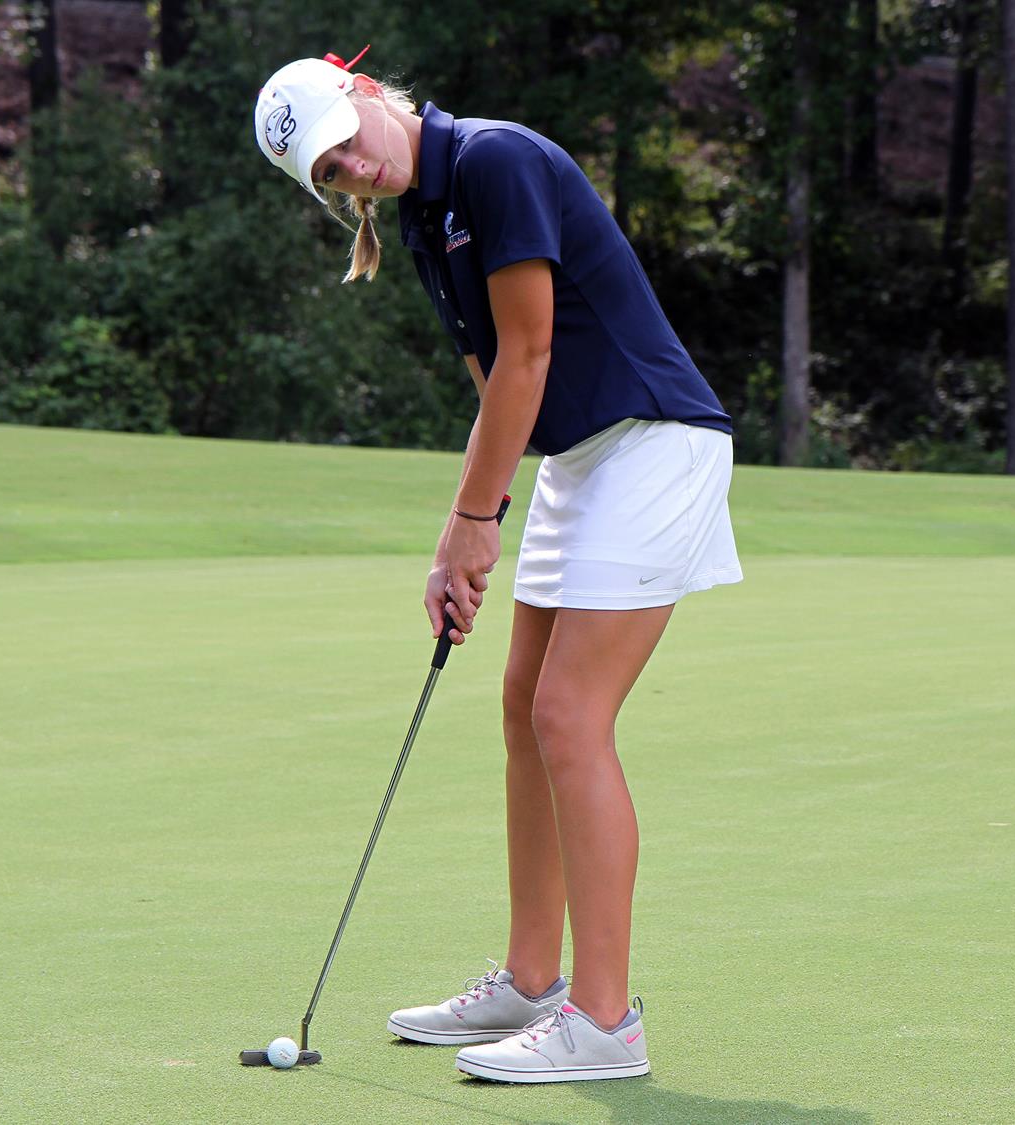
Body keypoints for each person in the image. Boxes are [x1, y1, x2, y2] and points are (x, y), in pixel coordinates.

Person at [253, 49, 742, 1084]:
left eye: (347, 143)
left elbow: (529, 353)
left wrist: (475, 523)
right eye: (330, 174)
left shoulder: (493, 161)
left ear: (366, 96)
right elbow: (495, 392)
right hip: (577, 461)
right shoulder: (426, 222)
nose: (354, 169)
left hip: (653, 442)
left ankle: (604, 1022)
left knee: (569, 715)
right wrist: (464, 536)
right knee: (523, 706)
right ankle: (531, 980)